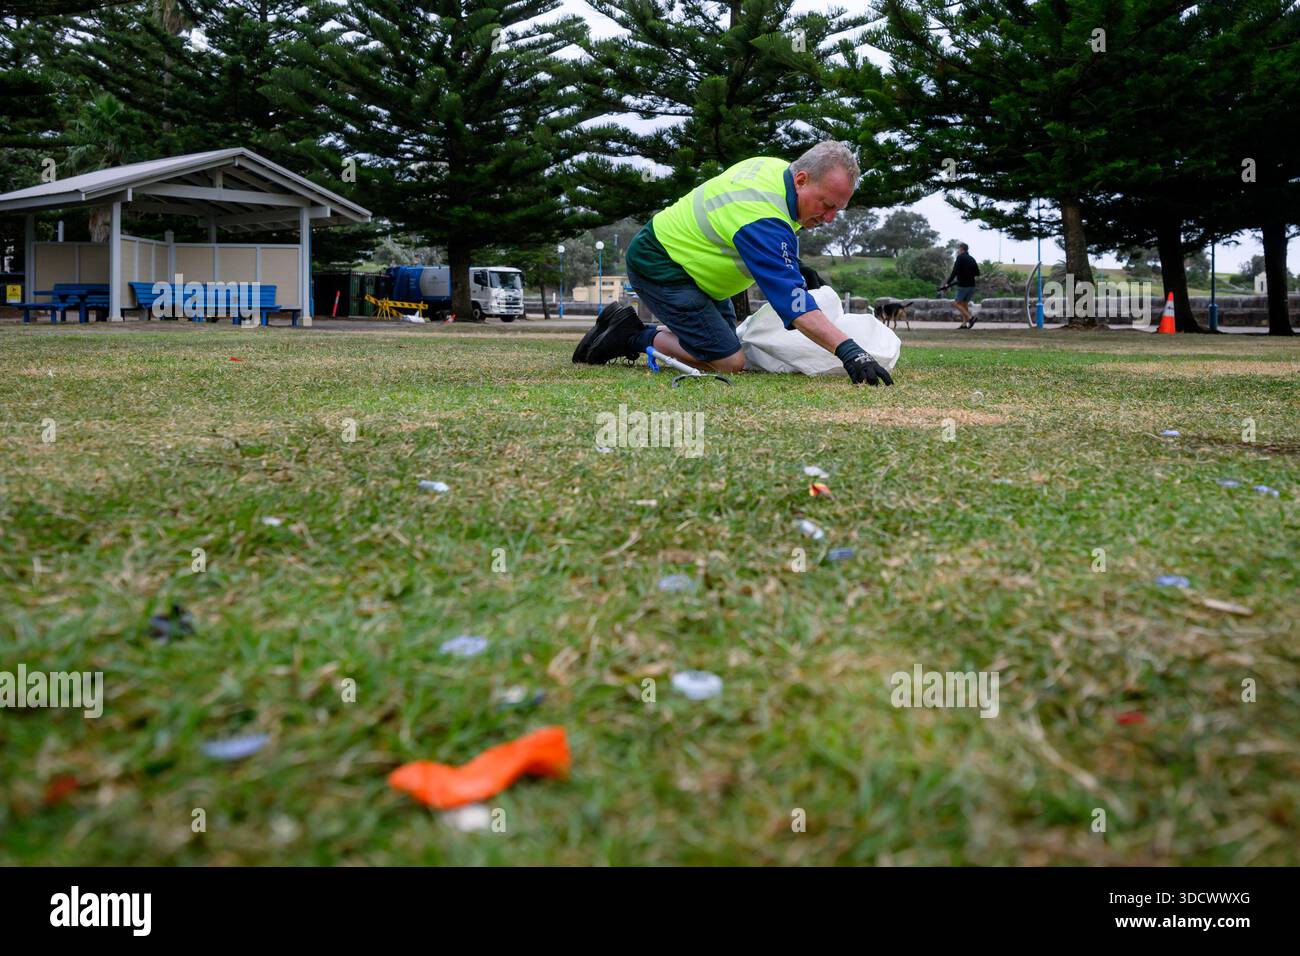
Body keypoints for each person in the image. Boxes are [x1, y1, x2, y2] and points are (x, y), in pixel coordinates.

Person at [572, 141, 893, 386]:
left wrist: (793, 263)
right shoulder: (763, 217)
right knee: (728, 360)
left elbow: (743, 229)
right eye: (826, 205)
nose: (829, 218)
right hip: (663, 264)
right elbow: (795, 307)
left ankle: (637, 329)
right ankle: (631, 335)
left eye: (837, 209)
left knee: (714, 344)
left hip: (697, 272)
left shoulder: (773, 168)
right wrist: (850, 351)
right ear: (802, 179)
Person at [941, 242, 981, 329]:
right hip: (972, 285)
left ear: (961, 249)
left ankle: (970, 318)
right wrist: (968, 274)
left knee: (956, 303)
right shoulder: (972, 258)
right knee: (964, 304)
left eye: (959, 249)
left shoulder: (960, 258)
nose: (958, 251)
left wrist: (948, 283)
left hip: (963, 285)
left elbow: (954, 272)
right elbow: (977, 273)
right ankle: (964, 324)